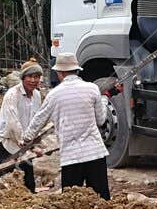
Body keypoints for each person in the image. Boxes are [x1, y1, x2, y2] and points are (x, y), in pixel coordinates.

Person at [20, 51, 111, 199]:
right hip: (95, 153)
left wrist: (26, 139)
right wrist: (104, 100)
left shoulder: (54, 94)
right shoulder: (92, 89)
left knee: (70, 202)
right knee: (101, 200)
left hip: (71, 156)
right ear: (77, 70)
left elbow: (39, 120)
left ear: (59, 73)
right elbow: (101, 121)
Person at [0, 59, 45, 191]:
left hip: (25, 145)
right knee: (4, 184)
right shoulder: (12, 95)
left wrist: (36, 144)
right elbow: (13, 123)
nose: (33, 80)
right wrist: (25, 142)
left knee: (28, 184)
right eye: (30, 77)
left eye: (37, 77)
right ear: (23, 78)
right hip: (8, 144)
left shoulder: (37, 95)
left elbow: (36, 121)